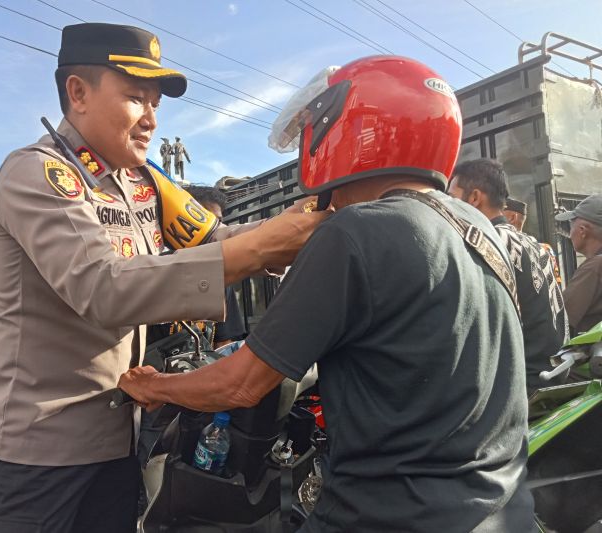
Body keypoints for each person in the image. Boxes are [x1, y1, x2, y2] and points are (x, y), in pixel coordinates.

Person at [120, 56, 536, 532]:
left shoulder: (359, 231)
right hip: (502, 510)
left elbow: (240, 384)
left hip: (388, 517)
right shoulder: (478, 228)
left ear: (350, 131)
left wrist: (154, 387)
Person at [0, 22, 327, 532]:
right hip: (34, 450)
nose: (151, 119)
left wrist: (298, 224)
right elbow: (103, 287)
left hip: (115, 439)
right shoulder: (39, 174)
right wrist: (261, 247)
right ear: (78, 93)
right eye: (136, 98)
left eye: (155, 104)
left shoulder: (144, 183)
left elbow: (215, 237)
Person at [448, 158, 568, 392]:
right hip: (552, 374)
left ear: (474, 197)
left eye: (452, 198)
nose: (448, 206)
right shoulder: (533, 243)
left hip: (518, 385)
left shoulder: (484, 243)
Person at [184, 184, 247, 347]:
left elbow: (224, 344)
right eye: (204, 220)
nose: (214, 230)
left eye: (218, 222)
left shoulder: (220, 280)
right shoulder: (151, 271)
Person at [556, 193, 602, 334]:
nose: (570, 234)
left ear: (582, 231)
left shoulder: (594, 267)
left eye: (571, 226)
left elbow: (561, 321)